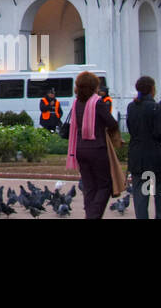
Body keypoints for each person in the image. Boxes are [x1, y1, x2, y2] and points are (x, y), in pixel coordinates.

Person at [66, 70, 121, 219]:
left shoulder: (77, 102)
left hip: (80, 149)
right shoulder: (97, 102)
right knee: (105, 185)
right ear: (93, 86)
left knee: (89, 187)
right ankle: (93, 216)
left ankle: (90, 214)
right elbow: (112, 122)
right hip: (97, 148)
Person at [126, 76, 161, 220]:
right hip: (154, 156)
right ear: (152, 89)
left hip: (138, 156)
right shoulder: (155, 107)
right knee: (160, 189)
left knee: (142, 191)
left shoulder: (132, 107)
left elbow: (131, 129)